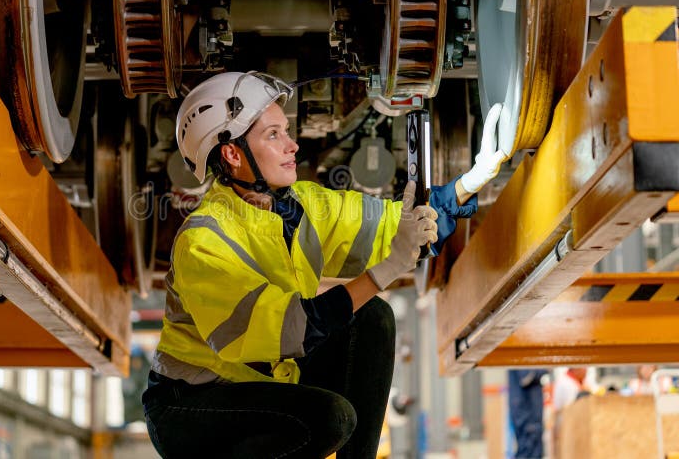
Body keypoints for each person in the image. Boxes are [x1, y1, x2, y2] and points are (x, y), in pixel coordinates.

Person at [142, 71, 506, 458]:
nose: (293, 145)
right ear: (233, 154)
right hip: (191, 408)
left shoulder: (301, 204)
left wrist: (469, 182)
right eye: (273, 135)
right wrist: (384, 272)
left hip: (264, 382)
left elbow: (389, 226)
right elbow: (280, 332)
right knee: (330, 418)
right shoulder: (204, 242)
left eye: (286, 131)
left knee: (371, 318)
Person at [508, 369, 548, 459]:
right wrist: (545, 368)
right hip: (527, 417)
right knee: (528, 451)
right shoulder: (522, 357)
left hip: (530, 418)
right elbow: (526, 377)